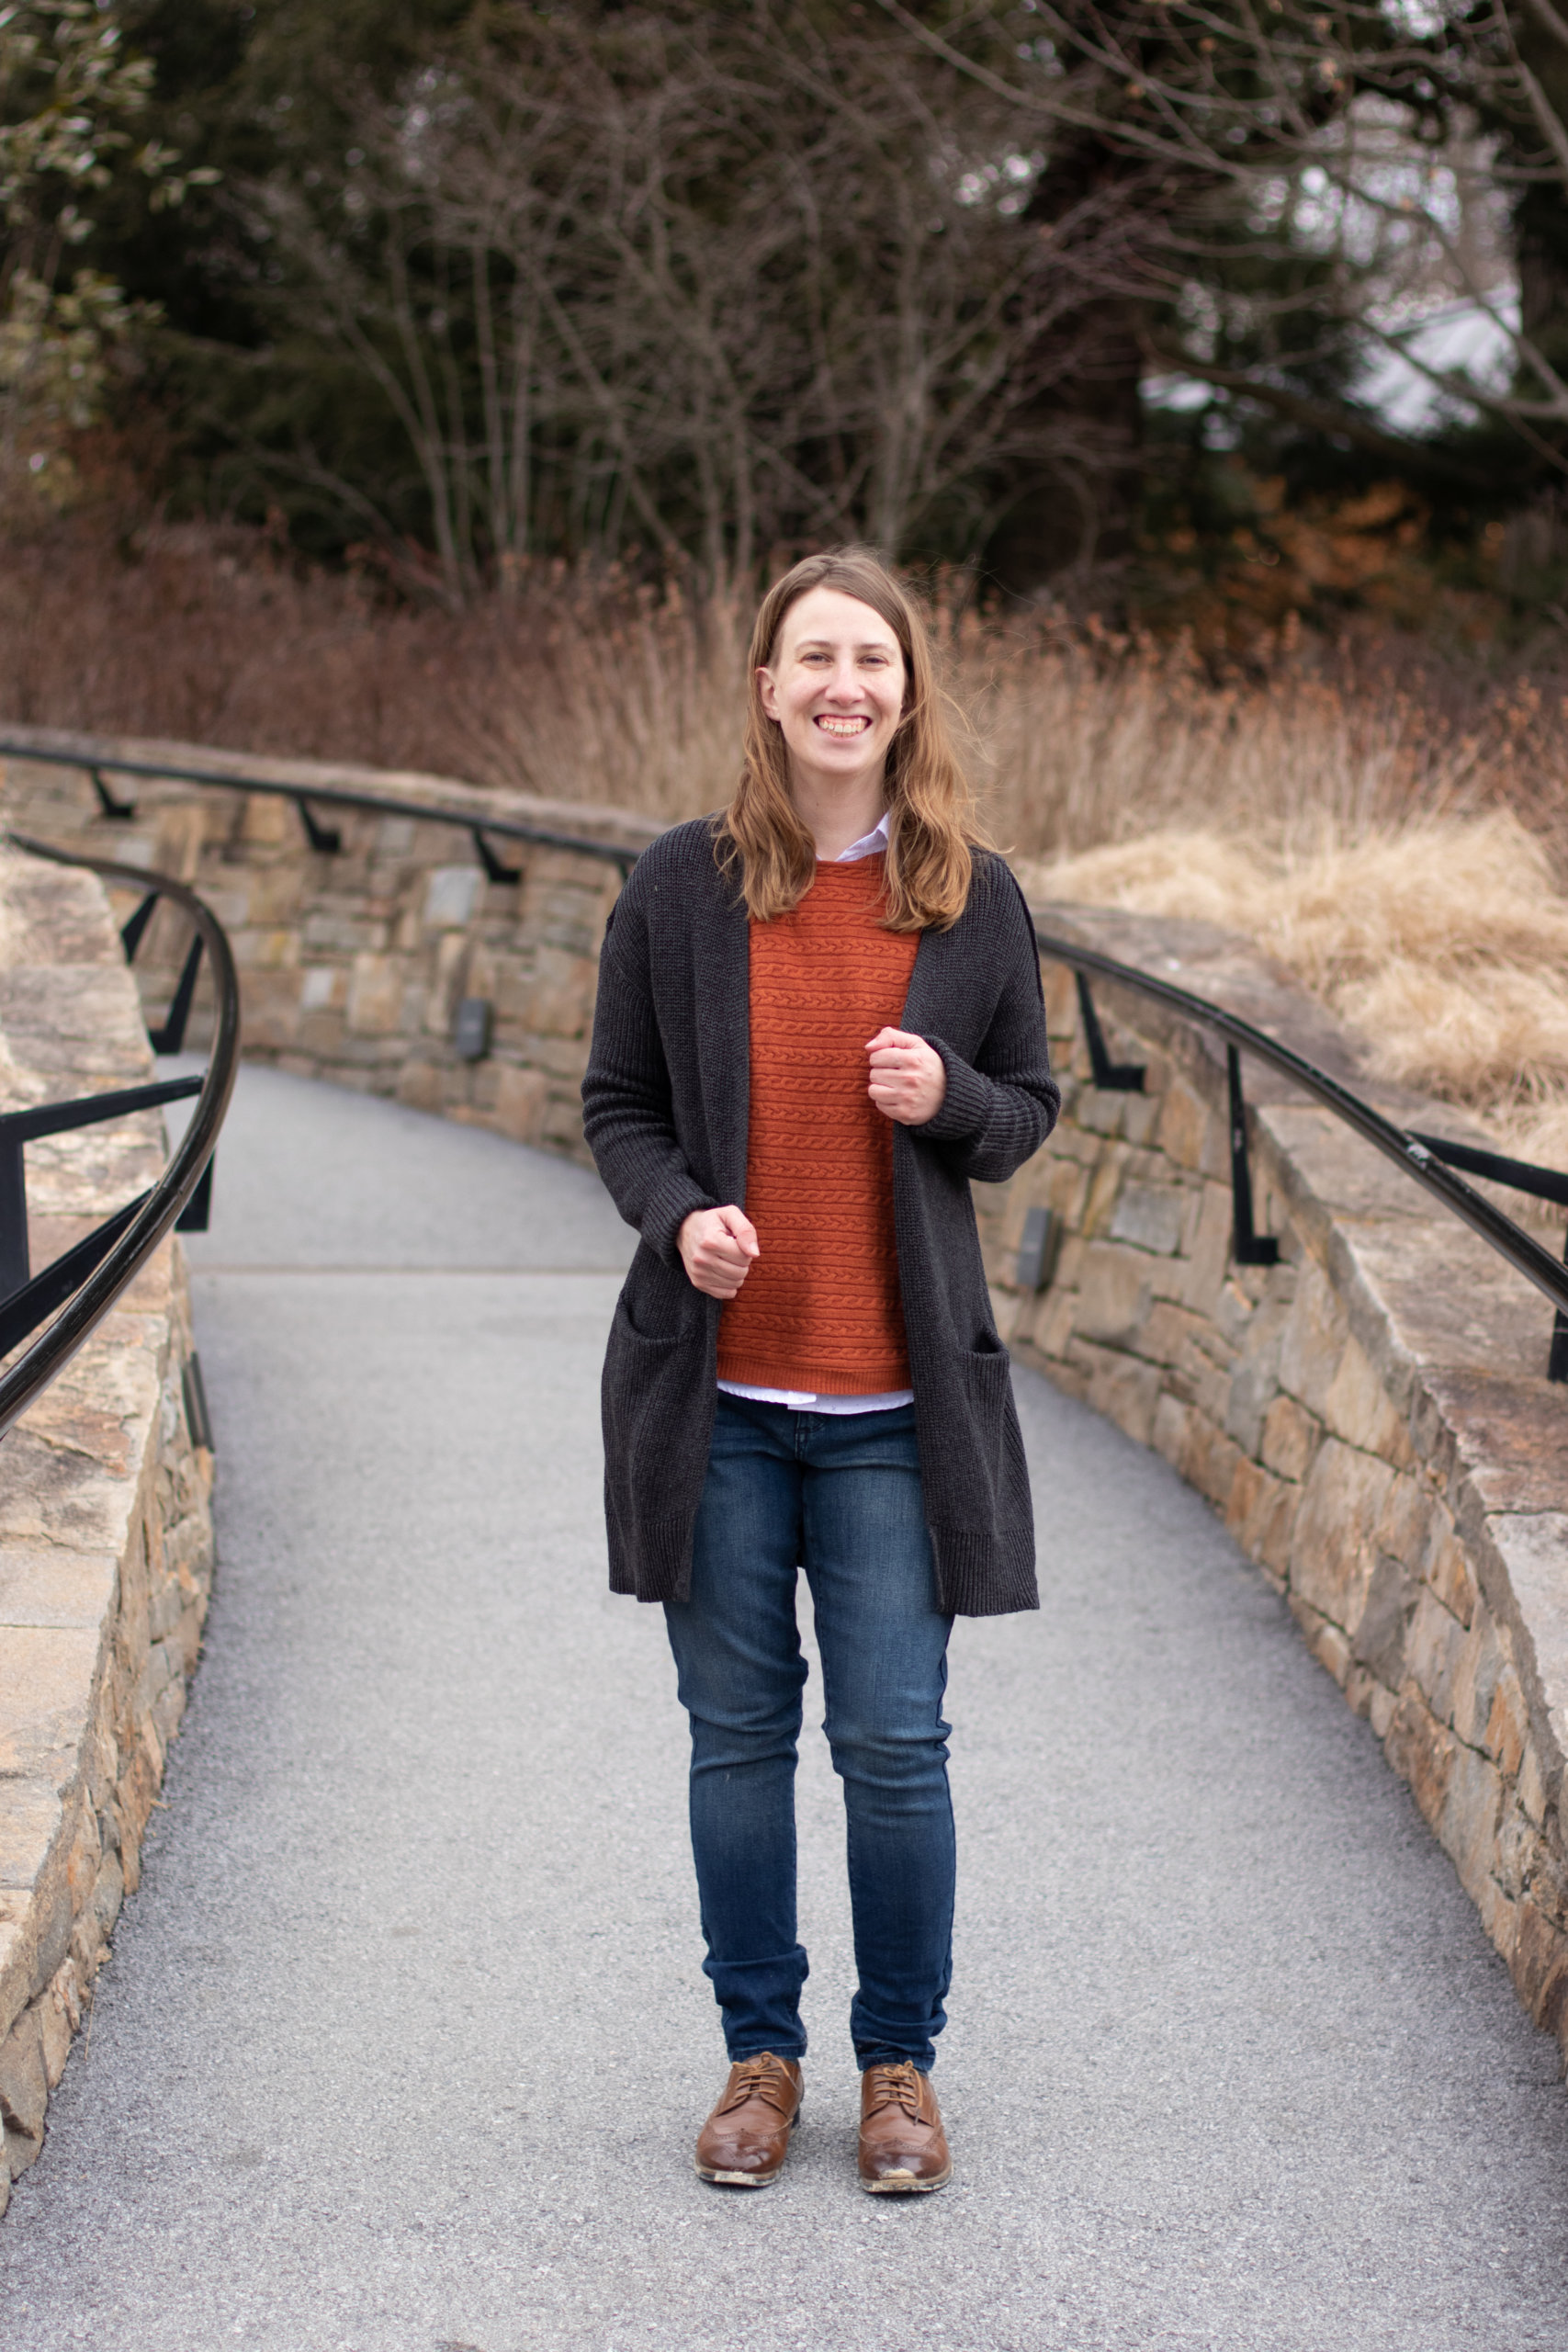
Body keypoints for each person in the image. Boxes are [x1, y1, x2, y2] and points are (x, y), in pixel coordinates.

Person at [581, 547, 1059, 2194]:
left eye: (873, 658)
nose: (844, 684)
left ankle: (900, 2066)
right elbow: (617, 1107)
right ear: (768, 689)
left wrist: (952, 1100)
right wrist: (677, 1220)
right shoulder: (679, 887)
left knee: (897, 1744)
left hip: (891, 1414)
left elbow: (1029, 1115)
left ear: (908, 690)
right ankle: (759, 2060)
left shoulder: (974, 898)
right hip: (714, 1404)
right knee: (734, 1740)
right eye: (813, 658)